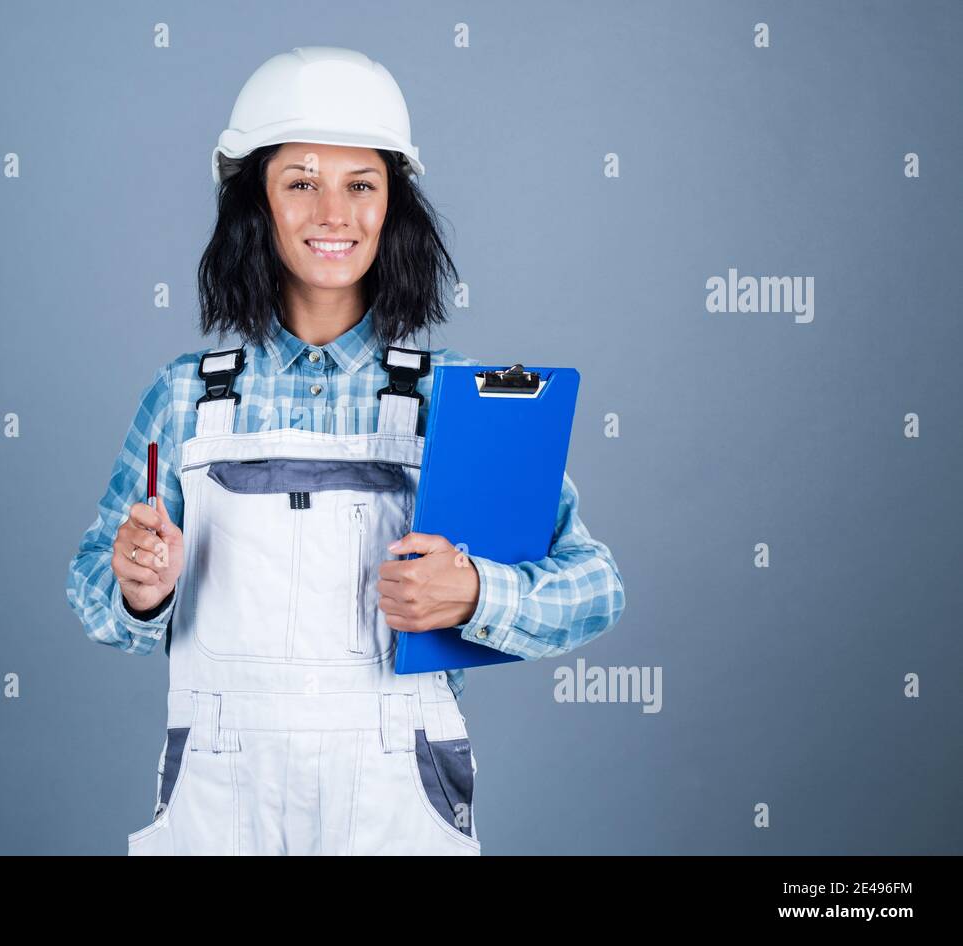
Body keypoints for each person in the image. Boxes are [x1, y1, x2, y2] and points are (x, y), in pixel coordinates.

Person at [66, 46, 626, 856]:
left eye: (361, 184)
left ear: (394, 203)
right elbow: (94, 593)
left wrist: (475, 593)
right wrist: (138, 586)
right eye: (301, 181)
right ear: (256, 204)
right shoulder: (187, 394)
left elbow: (596, 587)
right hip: (222, 804)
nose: (334, 212)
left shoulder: (461, 402)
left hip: (397, 803)